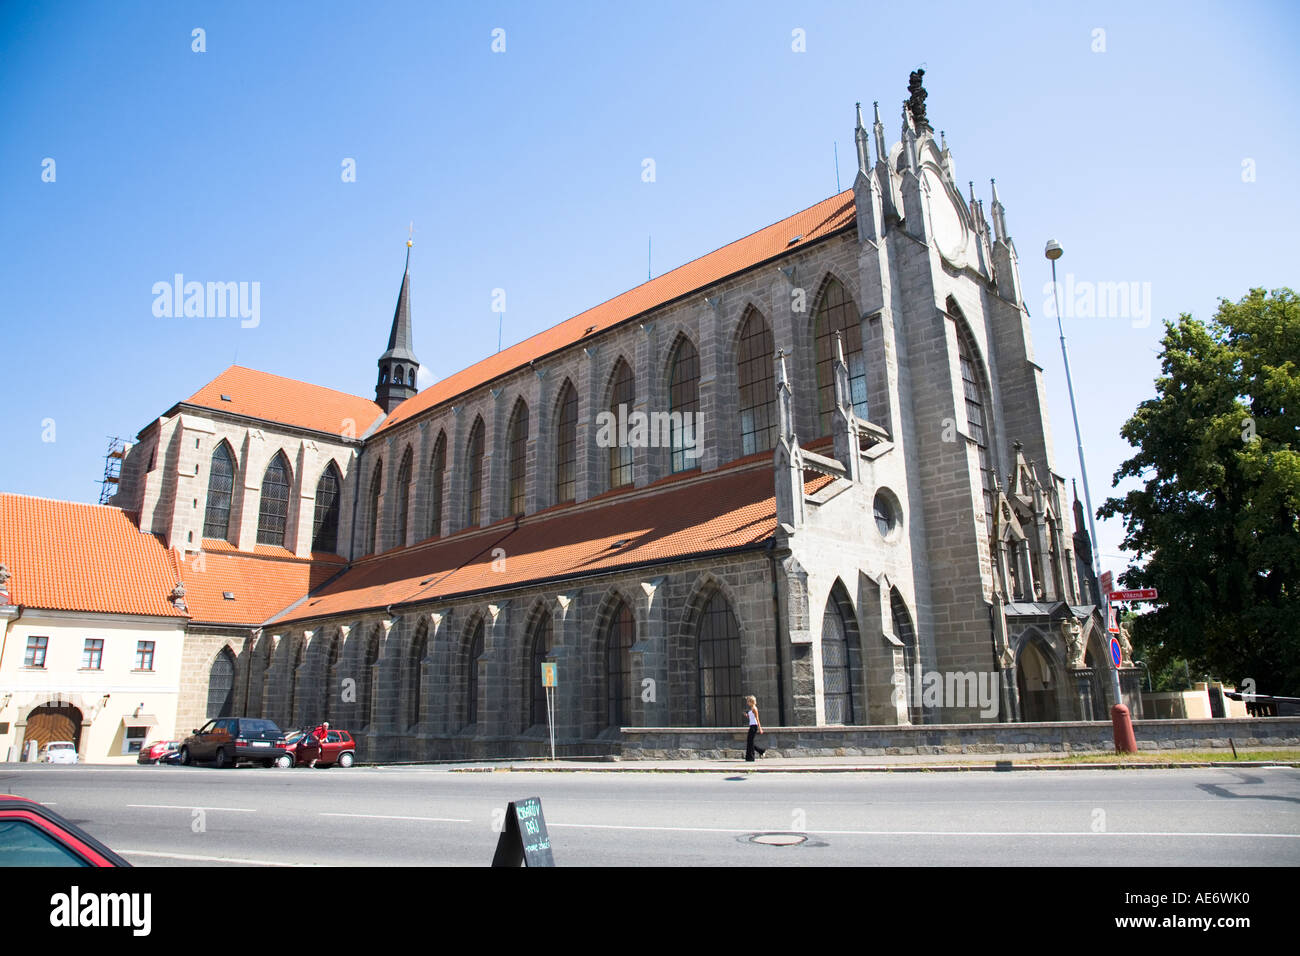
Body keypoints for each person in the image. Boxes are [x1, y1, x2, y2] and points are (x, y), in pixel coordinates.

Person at [744, 696, 766, 761]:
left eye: (748, 701)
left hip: (754, 726)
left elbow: (757, 719)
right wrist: (747, 716)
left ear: (751, 702)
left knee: (750, 741)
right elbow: (751, 718)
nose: (747, 703)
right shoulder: (751, 709)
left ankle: (752, 757)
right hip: (751, 725)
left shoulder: (754, 709)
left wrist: (760, 728)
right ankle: (760, 751)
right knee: (750, 742)